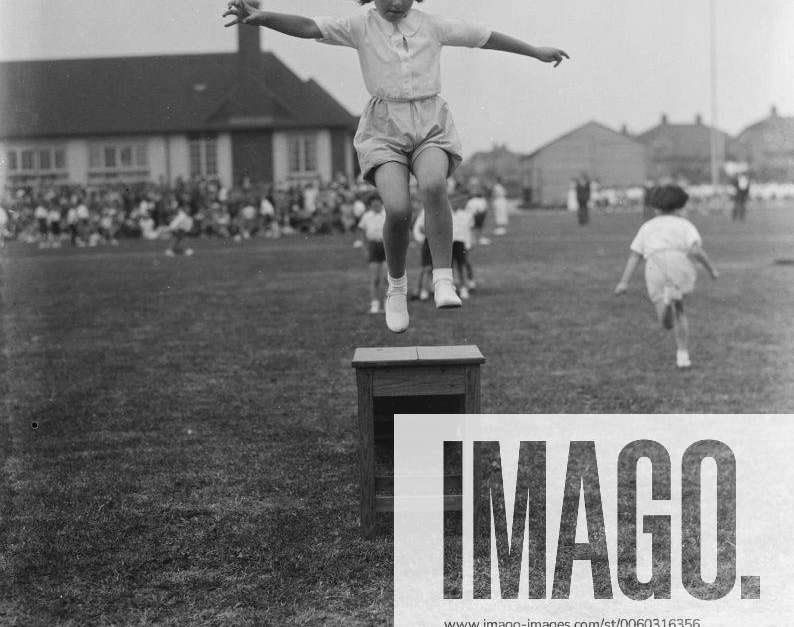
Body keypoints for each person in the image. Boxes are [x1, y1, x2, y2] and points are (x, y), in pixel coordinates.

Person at [223, 0, 568, 332]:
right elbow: (309, 26)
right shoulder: (359, 26)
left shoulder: (432, 26)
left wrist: (536, 51)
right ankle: (397, 288)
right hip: (384, 128)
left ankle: (443, 279)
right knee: (399, 209)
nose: (396, 3)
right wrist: (262, 17)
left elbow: (485, 37)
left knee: (433, 186)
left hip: (429, 123)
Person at [614, 184, 719, 369]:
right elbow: (696, 251)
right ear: (680, 206)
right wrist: (711, 270)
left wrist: (624, 282)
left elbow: (635, 255)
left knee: (666, 322)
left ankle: (667, 302)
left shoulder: (647, 226)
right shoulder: (685, 225)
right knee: (680, 311)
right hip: (680, 264)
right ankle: (682, 355)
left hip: (655, 266)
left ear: (656, 206)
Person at [357, 194, 387, 314]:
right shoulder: (367, 216)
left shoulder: (387, 214)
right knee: (375, 278)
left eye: (377, 202)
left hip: (386, 246)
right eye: (373, 203)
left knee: (386, 277)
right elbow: (362, 232)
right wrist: (364, 249)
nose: (376, 205)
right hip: (373, 247)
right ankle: (375, 304)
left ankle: (387, 303)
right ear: (370, 205)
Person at [451, 200, 474, 298]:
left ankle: (463, 287)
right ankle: (451, 288)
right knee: (449, 267)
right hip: (449, 243)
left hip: (460, 242)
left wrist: (469, 243)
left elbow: (468, 230)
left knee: (462, 265)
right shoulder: (446, 213)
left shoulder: (465, 215)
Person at [412, 207, 433, 301]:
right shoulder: (425, 211)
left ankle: (425, 289)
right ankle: (421, 290)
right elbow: (421, 228)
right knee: (426, 267)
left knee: (430, 267)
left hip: (435, 241)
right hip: (427, 241)